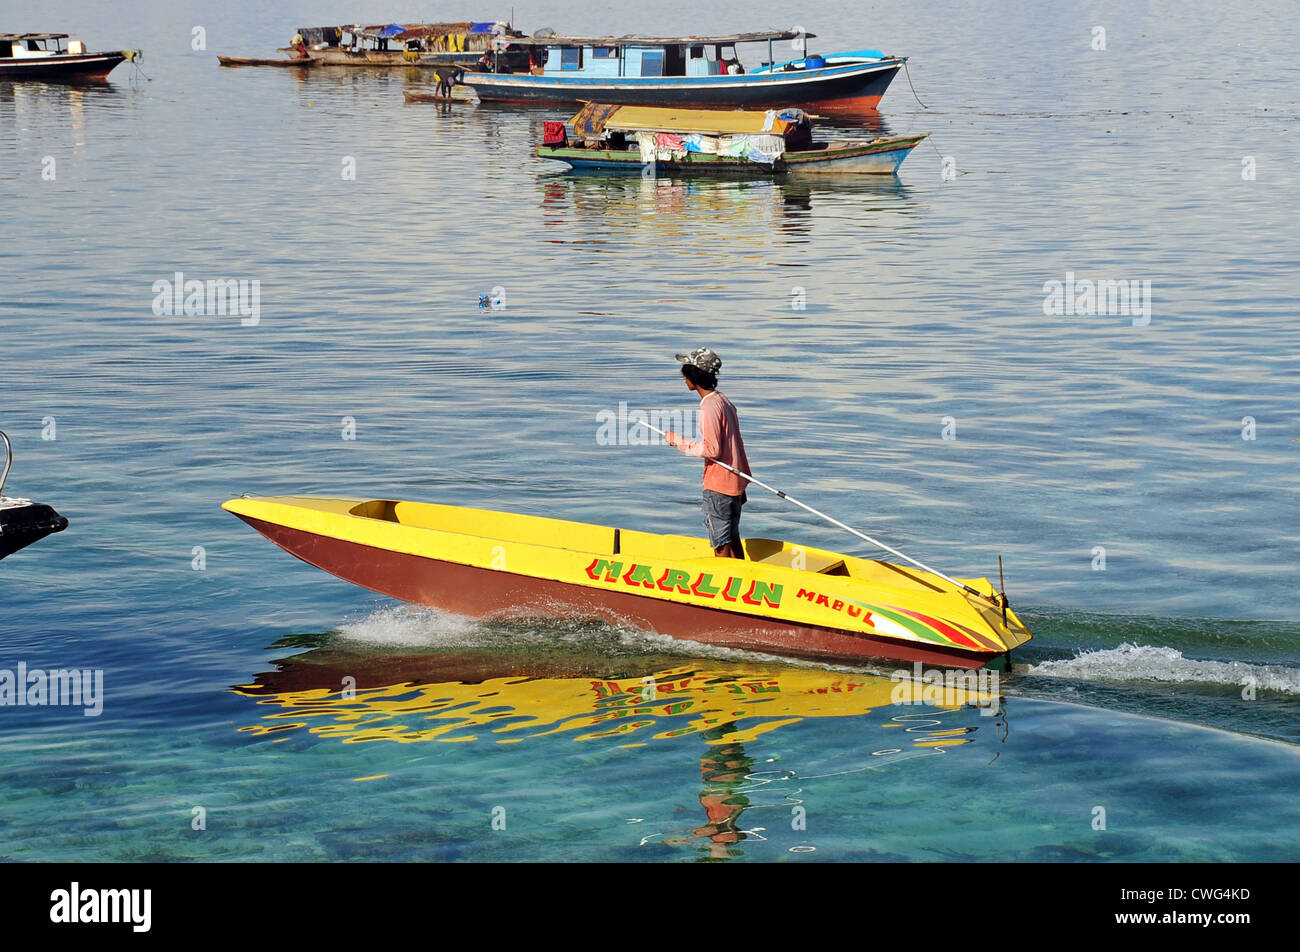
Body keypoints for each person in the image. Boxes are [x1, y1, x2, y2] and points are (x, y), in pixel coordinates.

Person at [664, 347, 750, 559]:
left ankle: (725, 586)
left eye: (685, 373)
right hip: (735, 481)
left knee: (720, 544)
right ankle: (743, 579)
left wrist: (679, 442)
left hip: (719, 486)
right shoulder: (724, 401)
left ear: (693, 377)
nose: (684, 378)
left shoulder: (709, 406)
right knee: (732, 538)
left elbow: (712, 449)